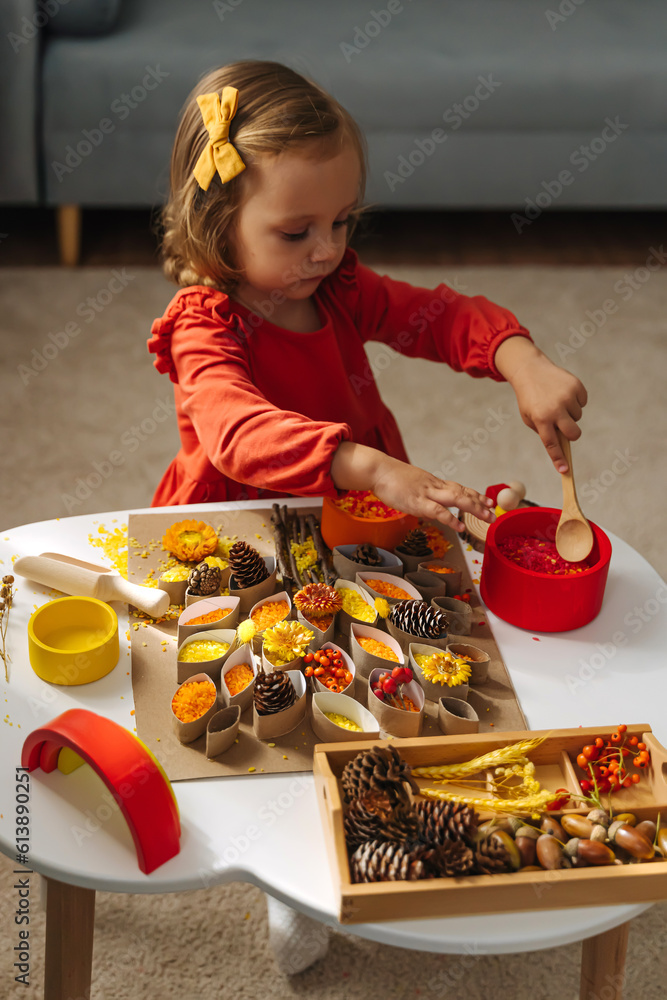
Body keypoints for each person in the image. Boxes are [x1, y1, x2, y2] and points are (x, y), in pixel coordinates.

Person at [148, 61, 587, 533]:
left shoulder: (341, 287)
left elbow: (437, 317)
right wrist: (372, 468)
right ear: (216, 224)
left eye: (340, 220)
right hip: (243, 521)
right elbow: (238, 434)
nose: (329, 249)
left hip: (358, 503)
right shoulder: (202, 327)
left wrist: (523, 362)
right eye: (296, 233)